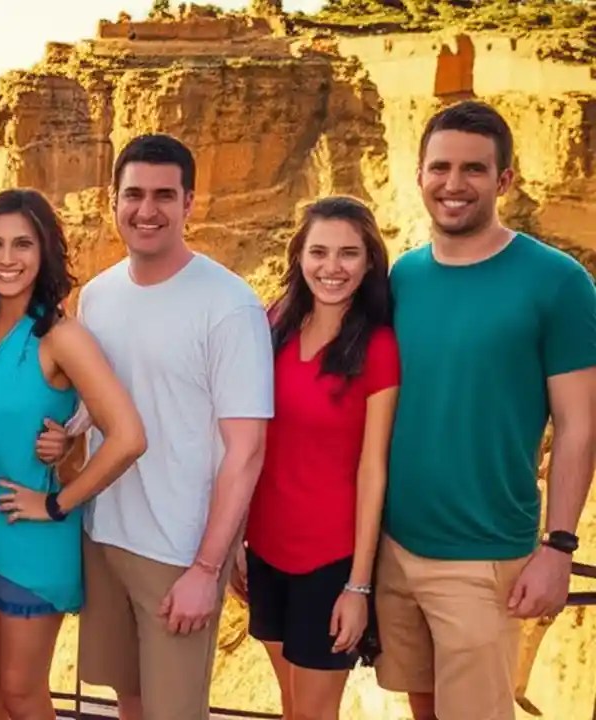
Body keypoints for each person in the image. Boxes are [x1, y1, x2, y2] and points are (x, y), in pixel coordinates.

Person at [374, 100, 596, 720]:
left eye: (474, 169)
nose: (453, 184)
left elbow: (580, 425)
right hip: (395, 547)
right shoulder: (403, 278)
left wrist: (557, 548)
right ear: (418, 175)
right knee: (423, 705)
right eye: (440, 167)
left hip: (485, 557)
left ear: (504, 180)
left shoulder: (558, 281)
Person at [41, 134, 274, 720]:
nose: (148, 210)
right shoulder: (98, 296)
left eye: (164, 195)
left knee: (175, 710)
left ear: (190, 202)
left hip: (178, 550)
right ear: (112, 201)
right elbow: (109, 398)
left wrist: (206, 567)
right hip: (106, 535)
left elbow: (246, 450)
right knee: (132, 700)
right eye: (134, 194)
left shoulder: (228, 306)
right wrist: (69, 432)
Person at [0, 188, 146, 719]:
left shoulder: (59, 336)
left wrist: (57, 502)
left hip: (29, 540)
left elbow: (128, 434)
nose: (8, 258)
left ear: (45, 251)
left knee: (21, 692)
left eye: (23, 244)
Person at [231, 196, 399, 720]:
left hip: (330, 563)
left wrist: (358, 584)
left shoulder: (378, 347)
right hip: (266, 551)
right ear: (298, 256)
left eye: (349, 254)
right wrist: (236, 535)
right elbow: (247, 439)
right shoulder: (273, 323)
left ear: (370, 261)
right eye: (318, 252)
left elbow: (374, 470)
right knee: (291, 709)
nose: (332, 268)